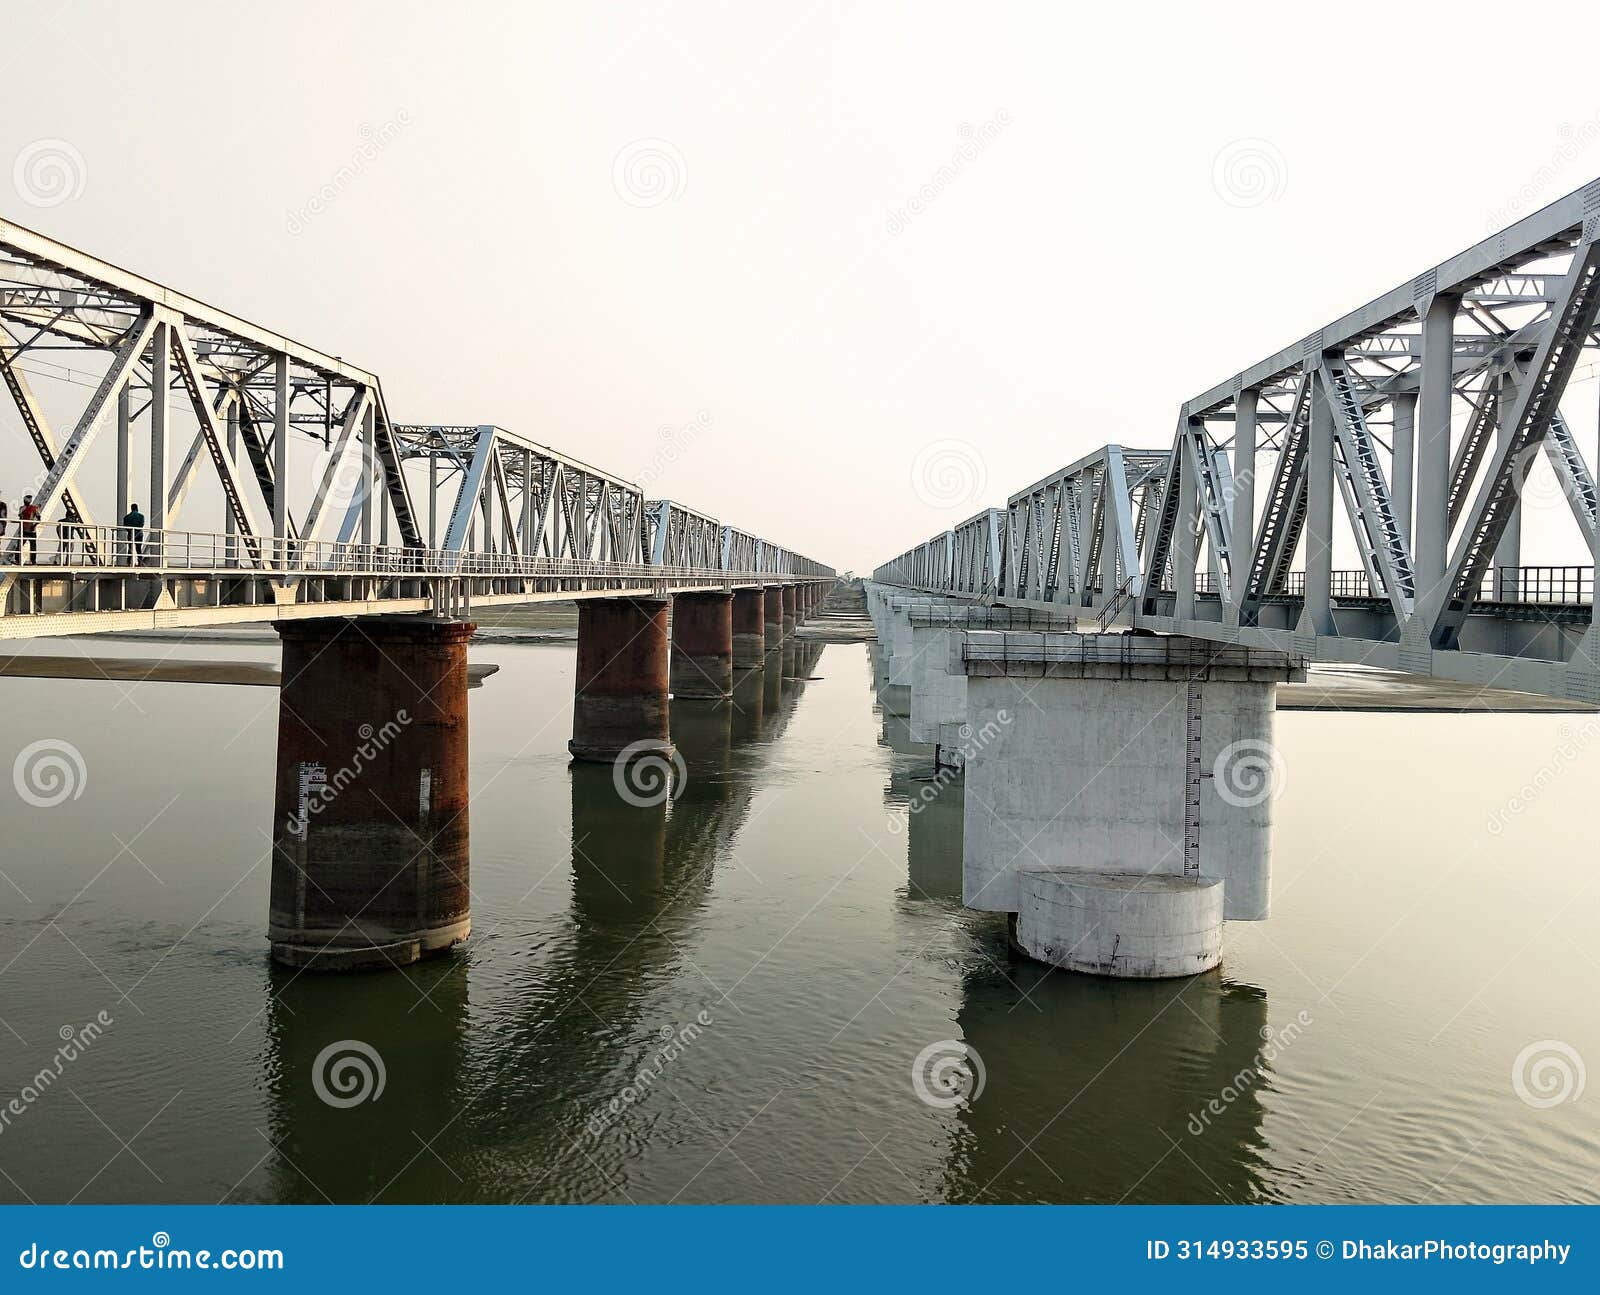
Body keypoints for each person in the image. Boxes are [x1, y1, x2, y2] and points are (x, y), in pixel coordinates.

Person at [18, 494, 40, 564]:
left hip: (31, 530)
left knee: (33, 546)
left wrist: (34, 525)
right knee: (20, 544)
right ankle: (17, 559)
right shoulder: (22, 508)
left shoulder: (34, 508)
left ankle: (33, 561)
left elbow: (39, 518)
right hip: (24, 529)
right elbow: (20, 518)